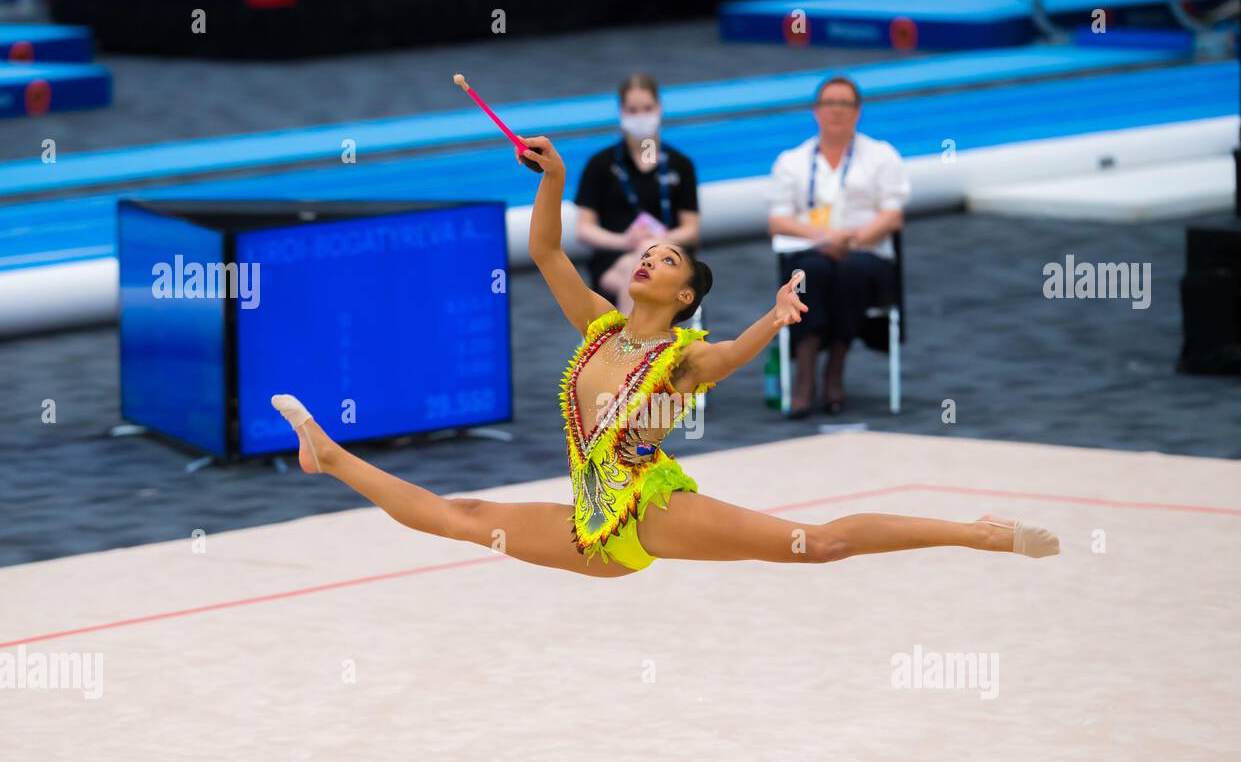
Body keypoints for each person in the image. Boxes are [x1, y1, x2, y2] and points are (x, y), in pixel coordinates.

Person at [269, 135, 1057, 579]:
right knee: (463, 518)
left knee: (818, 545)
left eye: (668, 259)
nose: (649, 258)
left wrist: (775, 318)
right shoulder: (600, 329)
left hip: (650, 507)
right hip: (588, 526)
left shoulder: (682, 359)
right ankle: (330, 456)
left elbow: (730, 357)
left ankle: (976, 531)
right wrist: (553, 178)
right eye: (647, 252)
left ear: (685, 297)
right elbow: (546, 251)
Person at [768, 74, 909, 417]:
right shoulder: (792, 160)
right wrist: (822, 238)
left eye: (845, 104)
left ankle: (835, 368)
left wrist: (854, 239)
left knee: (850, 270)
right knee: (812, 271)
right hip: (809, 249)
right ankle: (805, 372)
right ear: (816, 111)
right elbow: (778, 220)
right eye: (829, 103)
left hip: (864, 250)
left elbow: (892, 215)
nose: (836, 111)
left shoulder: (881, 155)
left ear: (858, 111)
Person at [575, 73, 700, 315]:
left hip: (668, 255)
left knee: (641, 269)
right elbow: (584, 229)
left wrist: (656, 244)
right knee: (639, 271)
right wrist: (625, 242)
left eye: (647, 108)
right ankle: (638, 349)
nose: (641, 116)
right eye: (633, 110)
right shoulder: (600, 164)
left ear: (659, 108)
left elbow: (691, 229)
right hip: (615, 257)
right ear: (621, 112)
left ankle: (626, 349)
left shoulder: (680, 164)